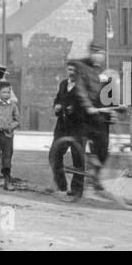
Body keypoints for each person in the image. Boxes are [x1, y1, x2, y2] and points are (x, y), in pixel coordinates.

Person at [70, 44, 110, 197]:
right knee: (79, 152)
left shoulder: (103, 73)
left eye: (102, 54)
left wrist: (117, 107)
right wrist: (88, 106)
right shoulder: (83, 69)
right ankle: (76, 188)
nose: (100, 57)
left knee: (103, 149)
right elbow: (80, 90)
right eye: (98, 53)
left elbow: (108, 94)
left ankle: (96, 178)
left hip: (96, 117)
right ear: (92, 55)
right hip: (82, 116)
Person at [49, 58, 84, 196]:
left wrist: (68, 108)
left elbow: (81, 106)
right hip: (62, 127)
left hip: (77, 127)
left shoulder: (83, 87)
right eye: (70, 70)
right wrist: (56, 105)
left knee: (78, 159)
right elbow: (58, 98)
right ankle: (62, 186)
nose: (72, 73)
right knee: (54, 155)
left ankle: (76, 190)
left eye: (75, 70)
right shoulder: (63, 84)